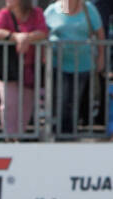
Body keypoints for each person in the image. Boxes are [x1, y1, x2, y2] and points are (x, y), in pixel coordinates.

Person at [45, 0, 104, 135]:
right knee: (58, 100)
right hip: (56, 64)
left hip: (82, 64)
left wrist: (101, 57)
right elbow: (43, 32)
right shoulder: (52, 10)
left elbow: (100, 34)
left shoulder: (89, 9)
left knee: (70, 102)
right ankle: (57, 133)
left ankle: (67, 134)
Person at [0, 0, 47, 138]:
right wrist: (15, 36)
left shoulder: (36, 13)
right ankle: (9, 137)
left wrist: (27, 37)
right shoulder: (4, 14)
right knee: (9, 103)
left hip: (30, 67)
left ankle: (19, 136)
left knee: (26, 106)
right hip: (7, 68)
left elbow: (43, 32)